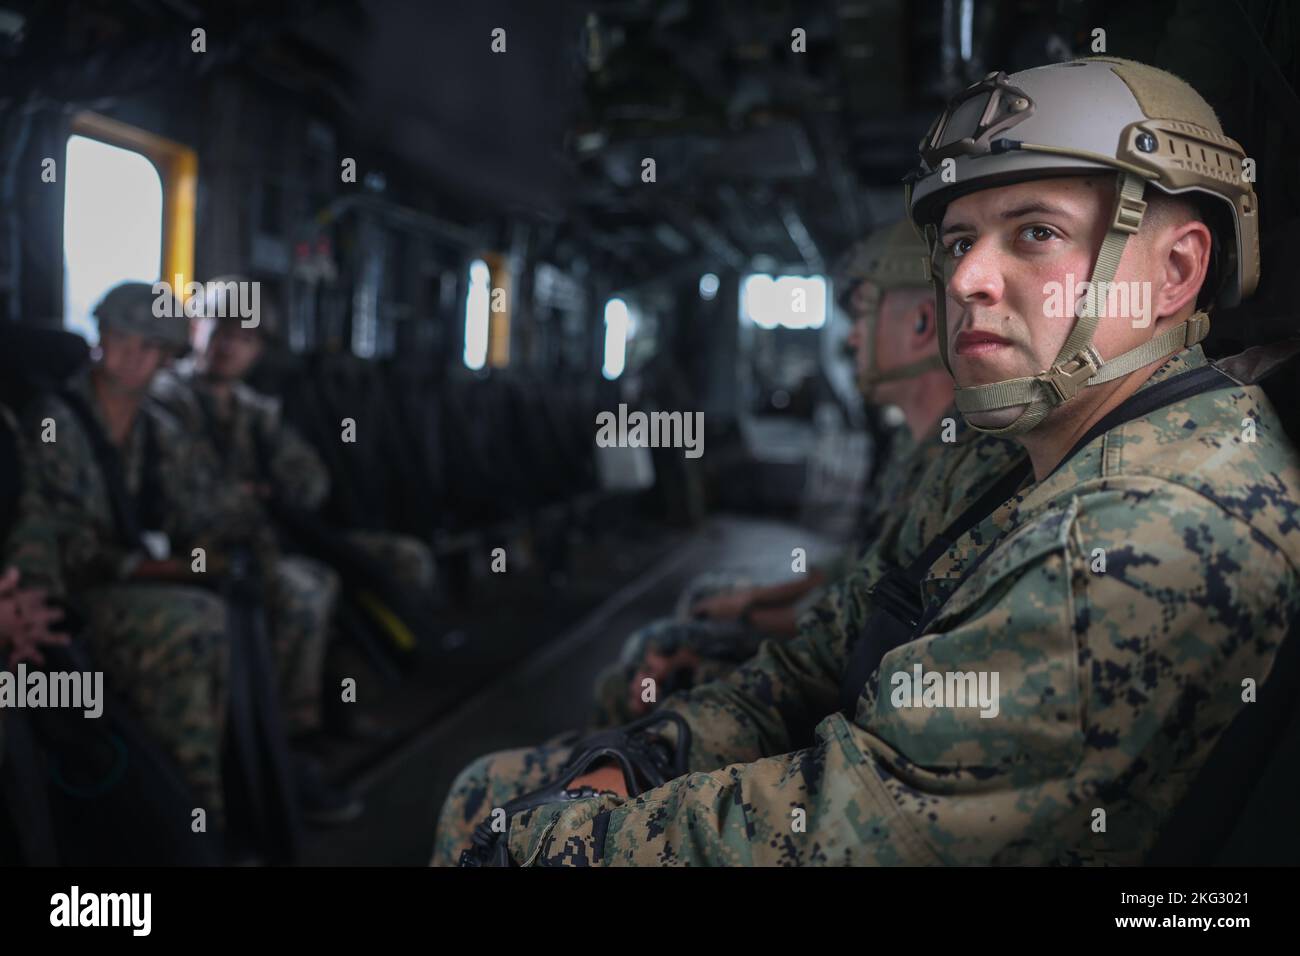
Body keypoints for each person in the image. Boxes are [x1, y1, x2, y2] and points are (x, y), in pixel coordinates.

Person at [440, 56, 1300, 866]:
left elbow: (854, 827)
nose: (967, 280)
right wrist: (641, 758)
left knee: (493, 811)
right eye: (959, 241)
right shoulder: (1005, 457)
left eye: (1036, 233)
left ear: (1177, 271)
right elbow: (822, 656)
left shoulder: (1144, 526)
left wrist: (565, 839)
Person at [588, 219, 967, 729]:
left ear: (922, 325)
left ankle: (606, 782)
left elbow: (861, 626)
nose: (852, 339)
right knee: (689, 615)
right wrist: (751, 602)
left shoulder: (955, 463)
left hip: (850, 692)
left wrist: (743, 622)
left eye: (862, 315)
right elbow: (856, 574)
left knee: (649, 654)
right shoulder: (911, 445)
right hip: (835, 657)